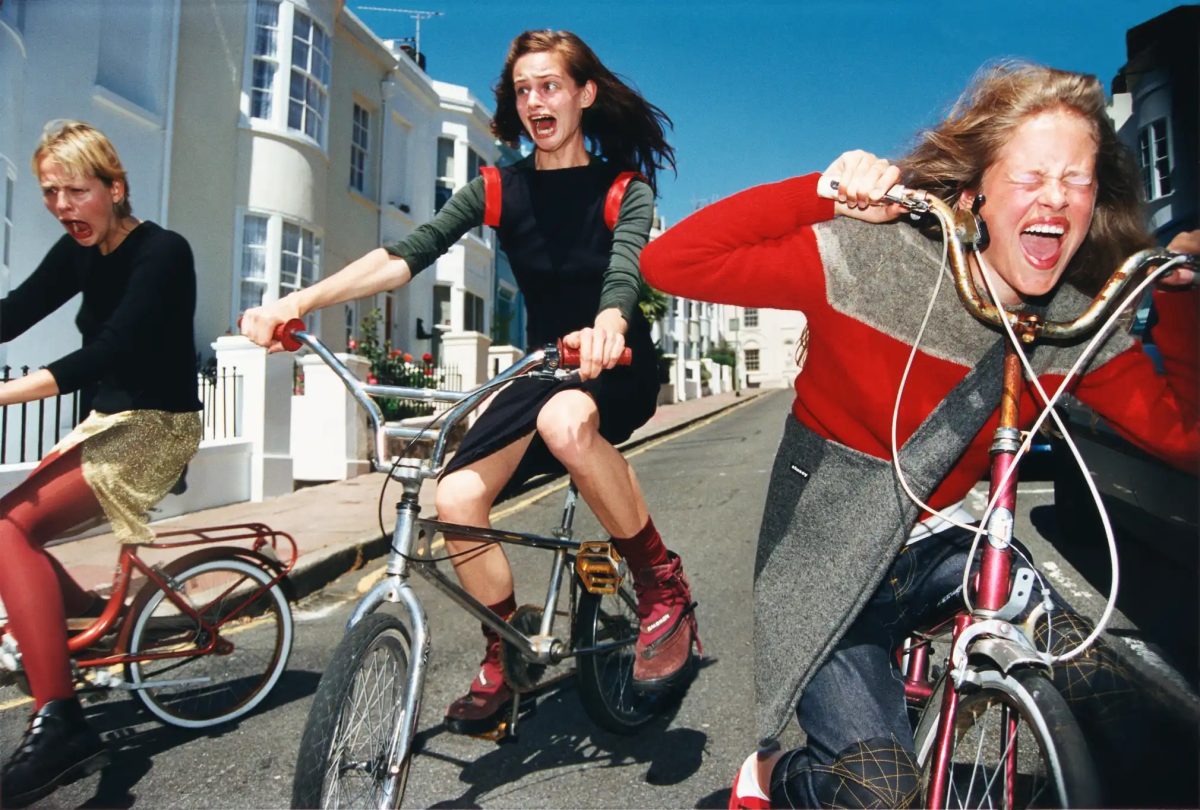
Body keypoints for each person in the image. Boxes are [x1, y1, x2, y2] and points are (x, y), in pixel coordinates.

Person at [640, 62, 1197, 808]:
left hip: (945, 551)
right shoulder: (871, 259)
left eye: (1077, 180)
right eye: (1031, 176)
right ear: (973, 196)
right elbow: (670, 261)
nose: (1056, 197)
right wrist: (824, 192)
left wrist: (1181, 300)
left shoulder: (1072, 324)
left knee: (1116, 697)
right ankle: (776, 776)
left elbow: (1183, 437)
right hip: (827, 562)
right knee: (880, 790)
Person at [241, 29, 700, 736]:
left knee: (566, 423)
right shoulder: (498, 188)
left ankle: (661, 583)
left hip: (615, 361)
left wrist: (609, 323)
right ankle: (504, 651)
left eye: (550, 86)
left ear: (584, 94)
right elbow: (405, 255)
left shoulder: (621, 189)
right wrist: (296, 302)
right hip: (543, 366)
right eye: (523, 90)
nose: (535, 102)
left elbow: (623, 269)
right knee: (455, 496)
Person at [0, 120, 202, 806]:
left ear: (115, 188)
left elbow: (109, 351)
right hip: (109, 423)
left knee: (7, 528)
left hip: (157, 428)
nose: (61, 207)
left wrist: (5, 393)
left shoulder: (163, 252)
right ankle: (90, 620)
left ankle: (62, 725)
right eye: (50, 193)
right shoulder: (77, 250)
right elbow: (15, 312)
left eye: (76, 191)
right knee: (12, 533)